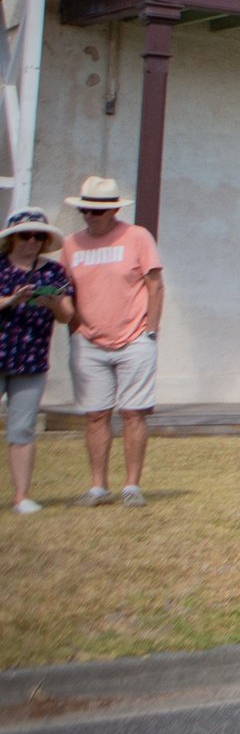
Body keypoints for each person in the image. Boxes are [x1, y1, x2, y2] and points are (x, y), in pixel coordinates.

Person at [61, 177, 162, 508]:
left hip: (134, 338)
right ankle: (97, 487)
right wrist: (76, 328)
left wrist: (150, 330)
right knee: (95, 415)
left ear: (115, 209)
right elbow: (65, 291)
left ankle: (131, 486)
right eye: (85, 210)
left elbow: (154, 284)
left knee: (133, 413)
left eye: (97, 211)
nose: (90, 216)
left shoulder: (137, 237)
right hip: (89, 340)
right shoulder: (71, 244)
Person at [1, 208, 76, 514]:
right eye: (25, 235)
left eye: (38, 236)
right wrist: (11, 300)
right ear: (12, 239)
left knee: (22, 430)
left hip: (30, 362)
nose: (31, 241)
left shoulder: (53, 272)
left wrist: (54, 302)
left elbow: (67, 316)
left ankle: (22, 497)